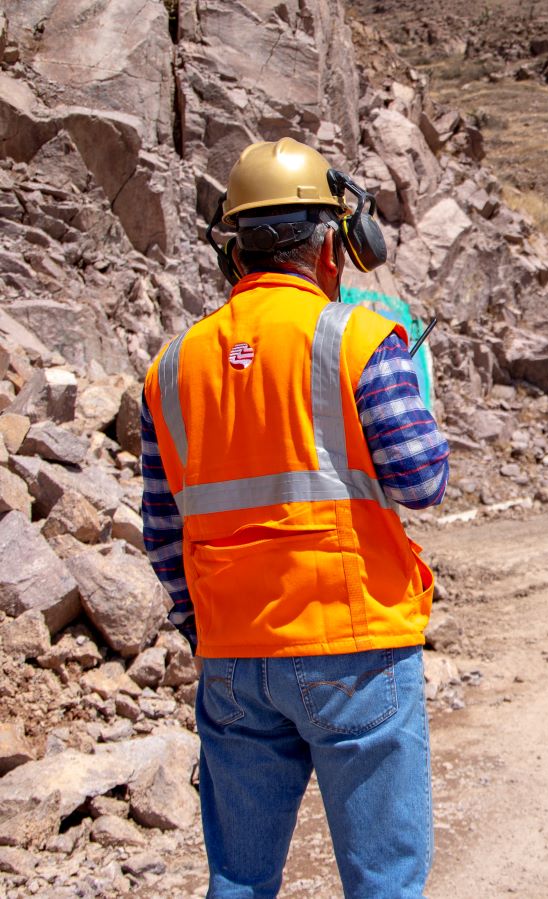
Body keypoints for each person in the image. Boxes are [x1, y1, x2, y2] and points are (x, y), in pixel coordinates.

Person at [140, 138, 449, 897]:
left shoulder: (172, 365)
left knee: (240, 879)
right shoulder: (358, 338)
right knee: (384, 883)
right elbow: (421, 478)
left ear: (235, 250)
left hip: (233, 657)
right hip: (355, 647)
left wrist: (203, 629)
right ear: (333, 245)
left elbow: (160, 529)